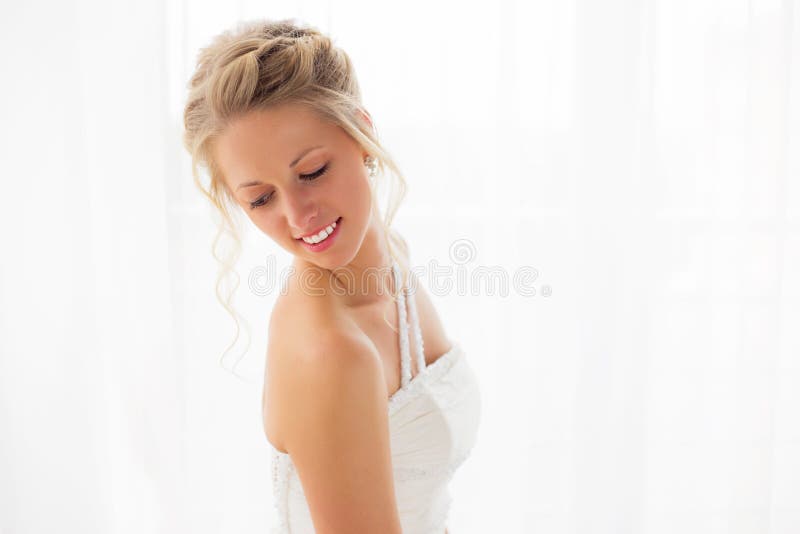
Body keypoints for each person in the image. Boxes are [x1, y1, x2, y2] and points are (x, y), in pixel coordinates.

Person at [182, 18, 482, 534]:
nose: (299, 217)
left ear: (361, 132)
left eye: (312, 172)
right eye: (260, 198)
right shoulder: (331, 354)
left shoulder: (391, 258)